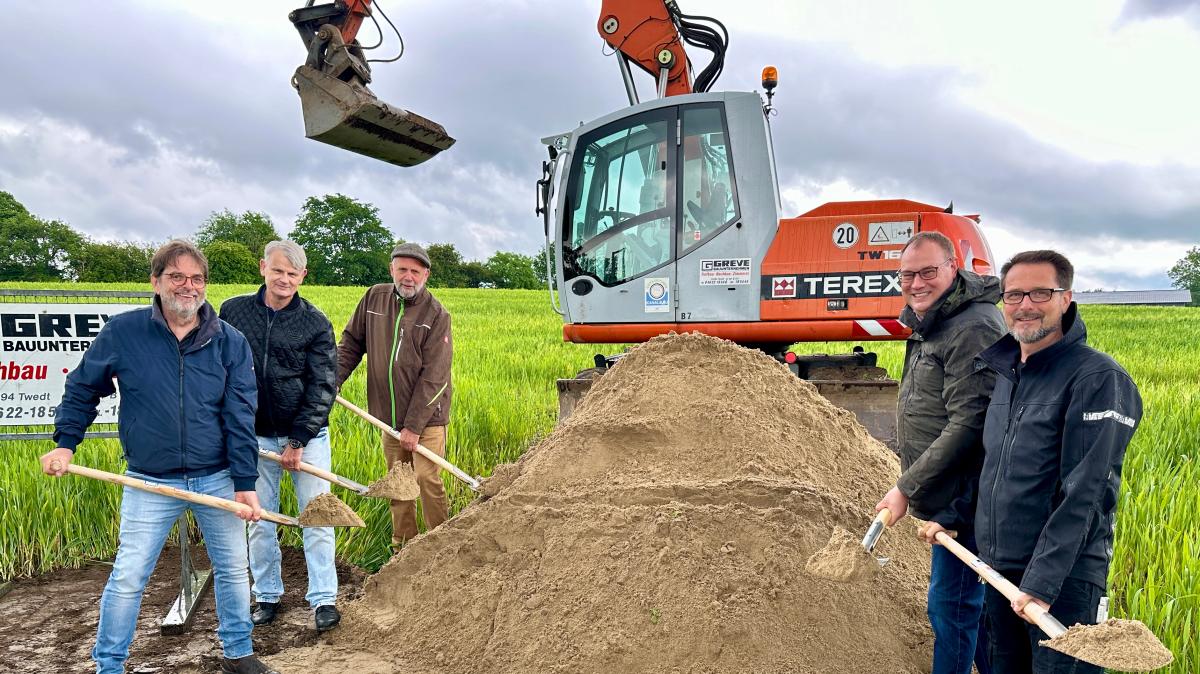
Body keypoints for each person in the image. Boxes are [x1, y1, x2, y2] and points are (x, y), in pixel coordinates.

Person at [40, 240, 278, 674]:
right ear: (156, 282)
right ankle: (109, 665)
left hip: (218, 476)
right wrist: (64, 442)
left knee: (232, 567)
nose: (188, 287)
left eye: (196, 279)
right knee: (129, 576)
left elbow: (241, 416)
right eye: (177, 277)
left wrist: (245, 484)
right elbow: (82, 389)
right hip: (150, 480)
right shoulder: (124, 333)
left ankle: (239, 653)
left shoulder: (229, 341)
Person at [970, 250, 1141, 673]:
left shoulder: (1097, 379)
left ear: (1066, 298)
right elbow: (994, 470)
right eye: (1013, 295)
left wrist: (1043, 584)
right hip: (1002, 574)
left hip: (1063, 583)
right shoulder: (1008, 376)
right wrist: (947, 515)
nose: (1025, 305)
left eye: (1040, 292)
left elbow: (1087, 492)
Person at [875, 231, 1004, 674]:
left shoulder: (971, 326)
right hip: (946, 489)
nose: (916, 283)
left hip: (964, 496)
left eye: (928, 271)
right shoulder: (935, 320)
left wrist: (906, 486)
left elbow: (969, 422)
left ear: (954, 267)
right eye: (906, 274)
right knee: (974, 604)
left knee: (951, 606)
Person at [219, 240, 340, 632]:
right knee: (259, 519)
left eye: (292, 273)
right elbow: (221, 371)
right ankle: (267, 596)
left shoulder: (315, 322)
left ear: (302, 277)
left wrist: (298, 440)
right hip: (252, 437)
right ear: (262, 269)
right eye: (278, 271)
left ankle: (324, 599)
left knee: (317, 518)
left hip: (305, 437)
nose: (284, 279)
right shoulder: (233, 312)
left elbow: (323, 387)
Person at [336, 242, 453, 548]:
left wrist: (414, 426)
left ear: (425, 275)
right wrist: (332, 381)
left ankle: (441, 545)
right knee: (398, 483)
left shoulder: (436, 314)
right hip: (387, 417)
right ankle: (403, 547)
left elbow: (434, 377)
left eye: (415, 271)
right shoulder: (374, 298)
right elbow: (350, 344)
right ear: (392, 270)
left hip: (427, 419)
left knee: (427, 478)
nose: (408, 277)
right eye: (402, 269)